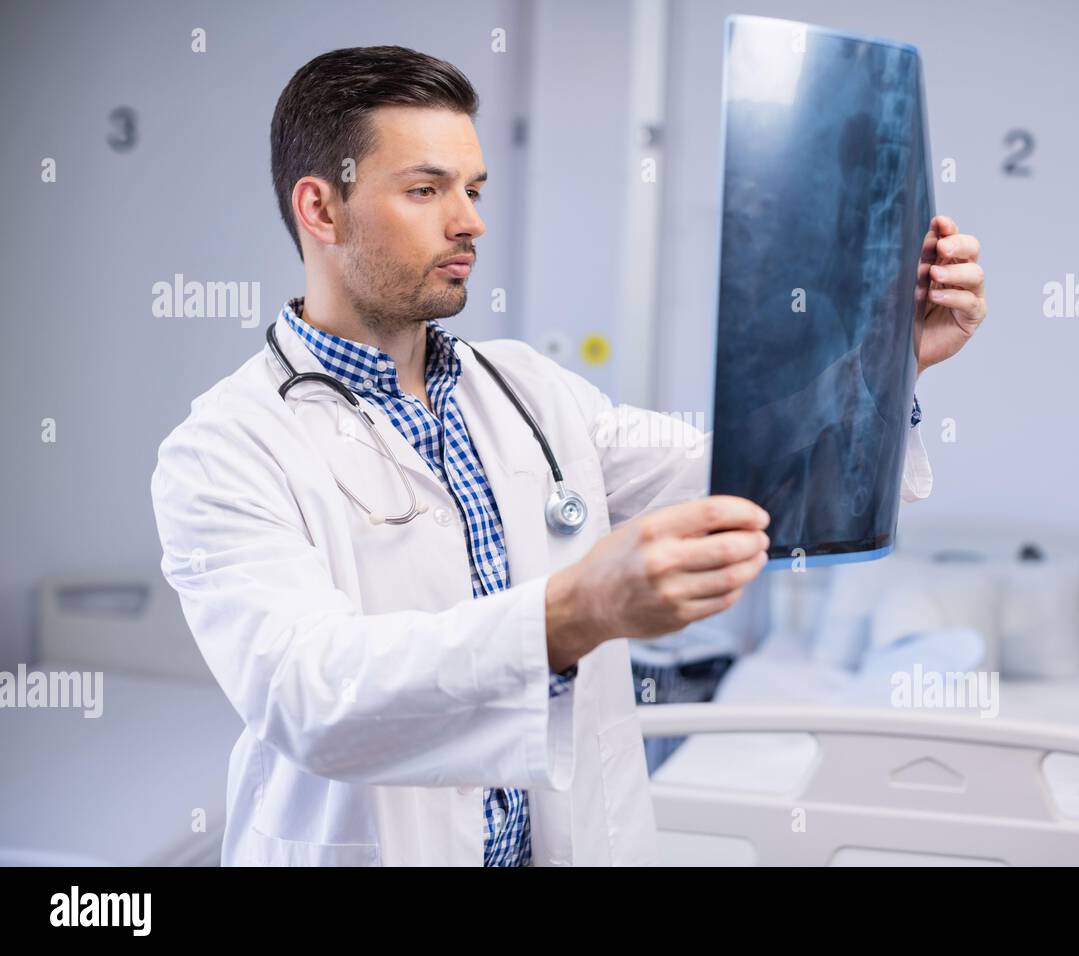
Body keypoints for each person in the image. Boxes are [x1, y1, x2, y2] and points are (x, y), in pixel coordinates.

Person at [150, 45, 988, 866]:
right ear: (321, 209)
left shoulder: (528, 389)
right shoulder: (224, 448)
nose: (469, 219)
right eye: (425, 189)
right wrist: (575, 611)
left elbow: (753, 475)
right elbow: (309, 696)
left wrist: (888, 356)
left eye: (473, 189)